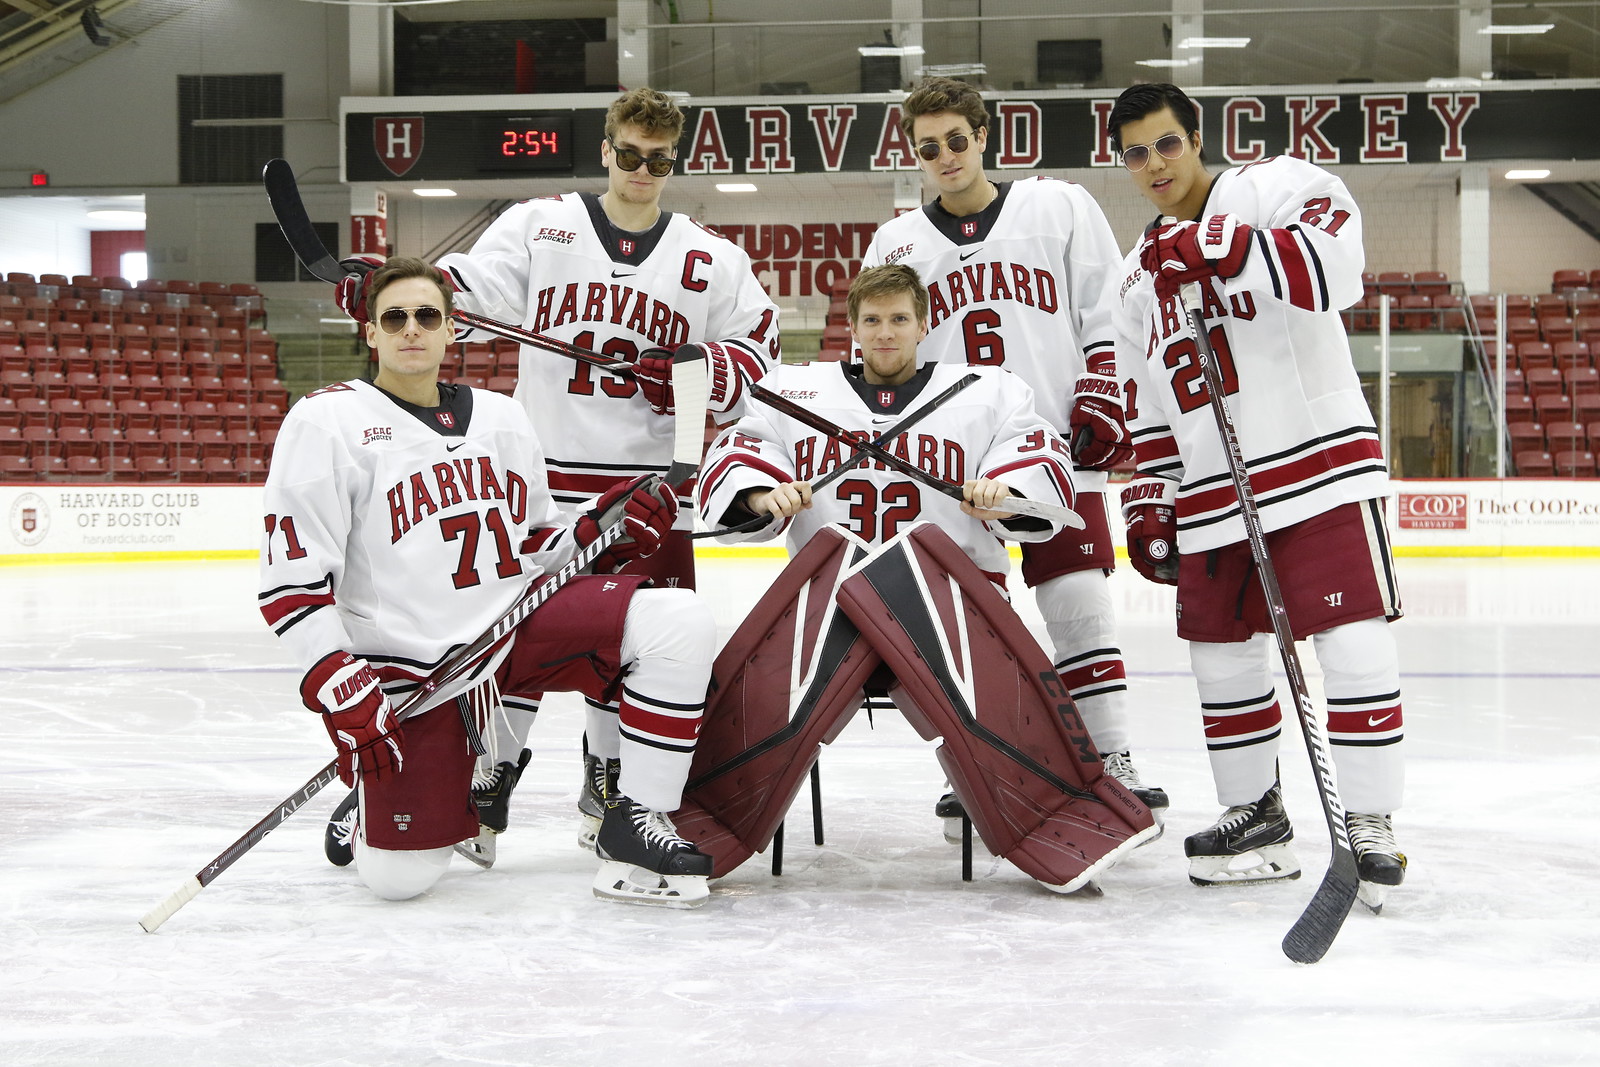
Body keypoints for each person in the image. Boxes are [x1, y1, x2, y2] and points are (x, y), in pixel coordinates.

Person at [332, 88, 780, 855]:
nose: (642, 170)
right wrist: (388, 289)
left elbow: (759, 350)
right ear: (606, 150)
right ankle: (489, 778)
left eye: (659, 159)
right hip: (537, 484)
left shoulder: (712, 258)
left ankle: (609, 789)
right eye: (629, 154)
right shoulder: (542, 225)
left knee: (641, 649)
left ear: (675, 162)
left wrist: (693, 368)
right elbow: (458, 296)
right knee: (507, 640)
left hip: (649, 492)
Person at [267, 257, 718, 907]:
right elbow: (291, 583)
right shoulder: (326, 422)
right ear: (369, 333)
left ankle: (637, 816)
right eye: (394, 317)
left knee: (677, 620)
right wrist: (344, 683)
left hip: (510, 632)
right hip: (420, 673)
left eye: (428, 316)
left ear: (454, 330)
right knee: (401, 880)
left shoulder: (503, 417)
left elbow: (536, 549)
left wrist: (604, 524)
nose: (411, 329)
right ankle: (384, 796)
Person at [1105, 83, 1407, 909]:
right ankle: (1257, 814)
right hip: (1211, 493)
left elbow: (1340, 271)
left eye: (1166, 144)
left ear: (1195, 138)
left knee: (1350, 647)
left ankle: (1370, 820)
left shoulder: (1275, 187)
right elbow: (1149, 406)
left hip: (1316, 468)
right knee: (1222, 663)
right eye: (1135, 153)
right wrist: (1151, 501)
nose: (1155, 164)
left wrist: (1232, 249)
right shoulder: (1131, 282)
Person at [859, 77, 1167, 826]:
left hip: (1058, 444)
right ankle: (977, 752)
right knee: (969, 622)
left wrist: (1103, 385)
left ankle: (1108, 752)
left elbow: (1109, 308)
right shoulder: (897, 241)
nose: (945, 157)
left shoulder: (1057, 205)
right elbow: (887, 351)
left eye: (957, 140)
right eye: (928, 148)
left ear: (984, 136)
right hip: (952, 464)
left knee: (1081, 605)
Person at [699, 263, 1076, 573]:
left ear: (923, 325)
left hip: (960, 595)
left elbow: (1036, 454)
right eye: (872, 320)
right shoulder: (790, 392)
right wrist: (760, 496)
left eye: (899, 319)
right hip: (830, 596)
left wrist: (1007, 492)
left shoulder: (988, 390)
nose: (885, 333)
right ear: (854, 328)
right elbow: (740, 454)